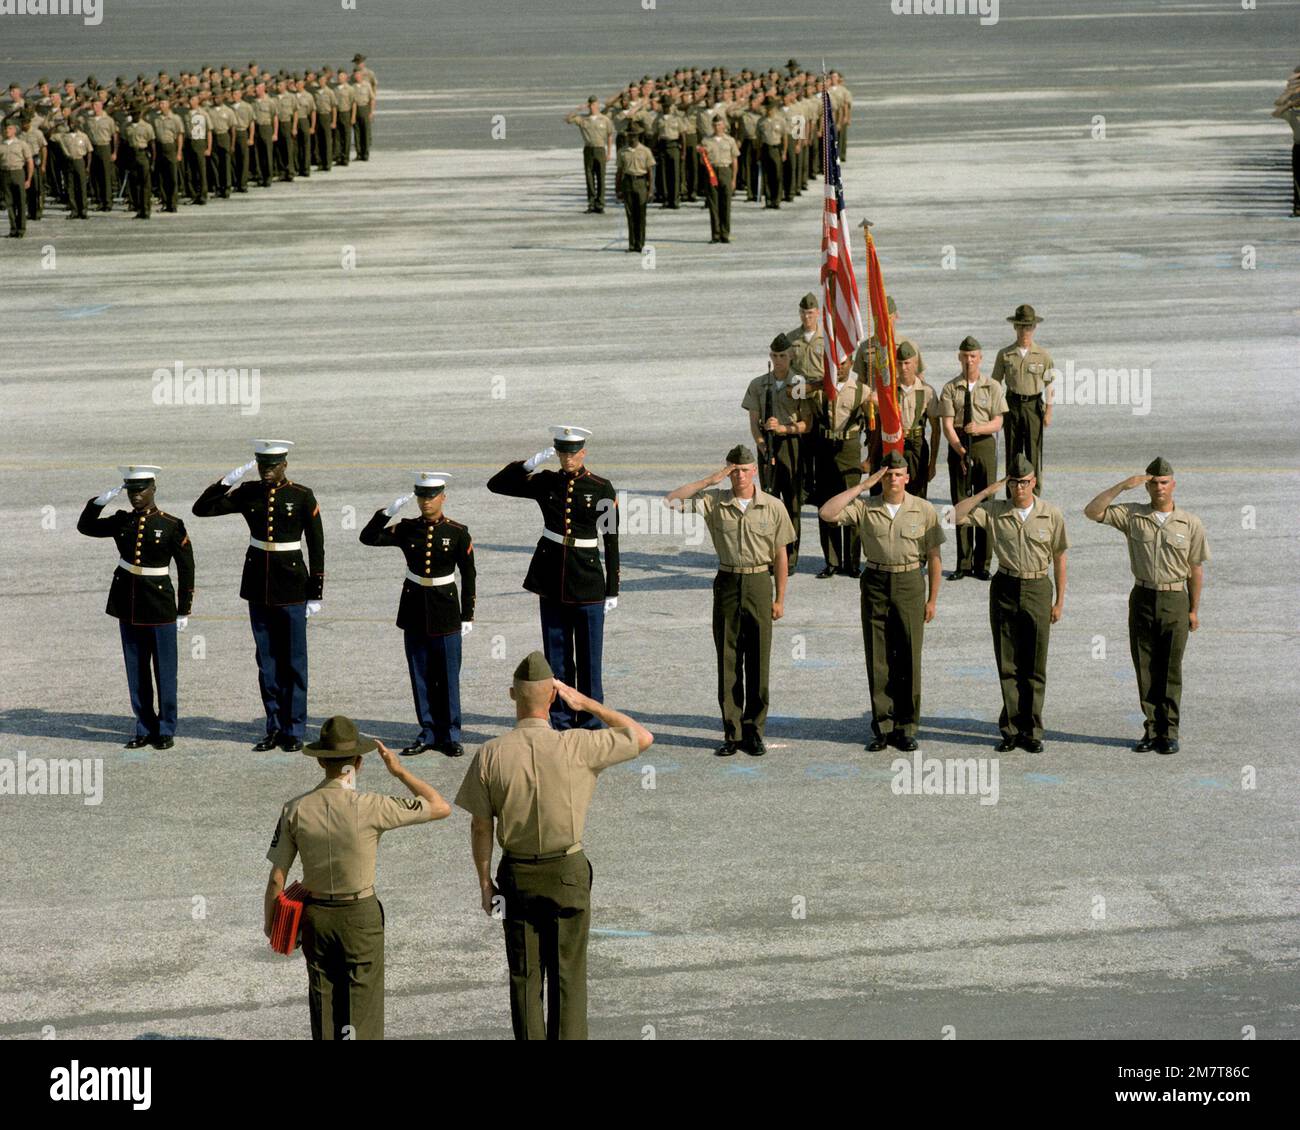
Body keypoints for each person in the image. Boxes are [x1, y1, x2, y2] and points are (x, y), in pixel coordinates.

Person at [455, 652, 652, 1040]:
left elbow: (480, 825)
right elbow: (642, 737)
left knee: (525, 977)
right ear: (552, 699)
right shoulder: (578, 745)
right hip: (566, 873)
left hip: (517, 877)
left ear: (513, 695)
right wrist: (586, 703)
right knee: (568, 978)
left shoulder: (491, 754)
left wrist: (484, 884)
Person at [264, 715, 452, 1040]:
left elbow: (277, 879)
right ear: (359, 763)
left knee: (324, 1013)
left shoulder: (294, 809)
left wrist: (273, 927)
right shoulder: (372, 806)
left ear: (321, 760)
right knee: (363, 1015)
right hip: (361, 916)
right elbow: (439, 806)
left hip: (317, 918)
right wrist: (399, 771)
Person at [192, 440, 325, 751]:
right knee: (267, 662)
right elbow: (202, 509)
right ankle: (275, 727)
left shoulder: (302, 496)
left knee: (293, 662)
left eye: (272, 466)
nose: (267, 471)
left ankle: (295, 730)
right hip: (259, 586)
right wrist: (228, 480)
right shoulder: (248, 492)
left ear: (284, 466)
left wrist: (315, 592)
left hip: (292, 586)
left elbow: (316, 545)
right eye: (262, 465)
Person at [666, 446, 795, 756]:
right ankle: (732, 731)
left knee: (758, 660)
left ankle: (754, 730)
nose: (739, 475)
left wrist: (779, 598)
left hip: (758, 582)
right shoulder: (715, 502)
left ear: (754, 471)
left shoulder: (773, 506)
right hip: (727, 581)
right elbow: (672, 500)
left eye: (744, 469)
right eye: (733, 470)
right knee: (728, 658)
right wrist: (711, 479)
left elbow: (780, 556)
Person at [487, 427, 619, 730]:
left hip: (587, 582)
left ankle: (590, 718)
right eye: (563, 452)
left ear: (583, 453)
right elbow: (496, 485)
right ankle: (559, 717)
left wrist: (612, 589)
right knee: (556, 657)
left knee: (588, 660)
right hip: (551, 580)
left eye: (573, 452)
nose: (568, 458)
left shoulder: (601, 488)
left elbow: (611, 540)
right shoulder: (547, 482)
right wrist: (529, 464)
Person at [819, 451, 944, 752]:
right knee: (878, 656)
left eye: (898, 474)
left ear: (907, 478)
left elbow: (935, 557)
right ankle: (883, 727)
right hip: (875, 580)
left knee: (909, 656)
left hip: (910, 581)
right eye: (887, 474)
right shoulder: (865, 507)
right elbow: (827, 512)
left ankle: (907, 726)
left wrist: (932, 599)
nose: (893, 480)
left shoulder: (924, 510)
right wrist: (862, 486)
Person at [1083, 458, 1209, 755]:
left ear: (1173, 485)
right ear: (1147, 485)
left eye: (1164, 482)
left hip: (1175, 597)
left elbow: (1196, 568)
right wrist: (1123, 486)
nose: (1158, 488)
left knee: (1170, 668)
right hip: (1142, 596)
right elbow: (1092, 511)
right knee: (1145, 666)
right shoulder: (1133, 515)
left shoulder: (1190, 523)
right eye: (1153, 483)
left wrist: (1193, 609)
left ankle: (1170, 732)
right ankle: (1152, 730)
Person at [955, 455, 1068, 753]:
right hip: (1005, 585)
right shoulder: (994, 511)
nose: (1020, 488)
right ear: (1009, 484)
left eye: (1025, 482)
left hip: (1038, 586)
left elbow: (1060, 557)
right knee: (1008, 662)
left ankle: (1033, 730)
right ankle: (1011, 729)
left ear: (1034, 483)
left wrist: (1059, 600)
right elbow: (953, 516)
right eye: (1014, 482)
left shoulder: (1050, 514)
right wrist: (984, 493)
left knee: (1034, 663)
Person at [77, 466, 195, 750]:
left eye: (141, 490)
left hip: (160, 604)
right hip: (128, 603)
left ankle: (166, 728)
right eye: (131, 491)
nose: (136, 496)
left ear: (153, 489)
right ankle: (144, 726)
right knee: (137, 670)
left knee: (165, 671)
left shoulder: (170, 524)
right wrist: (99, 502)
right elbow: (86, 527)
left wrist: (184, 609)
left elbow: (186, 567)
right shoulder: (122, 522)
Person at [360, 473, 475, 757]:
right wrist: (387, 513)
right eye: (422, 496)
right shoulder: (407, 528)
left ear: (443, 497)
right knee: (420, 674)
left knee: (447, 676)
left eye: (432, 496)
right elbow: (368, 538)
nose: (426, 501)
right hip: (414, 609)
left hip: (446, 609)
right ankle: (427, 731)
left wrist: (467, 614)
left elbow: (469, 574)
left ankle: (449, 735)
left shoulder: (457, 532)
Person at [937, 336, 1007, 580]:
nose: (969, 361)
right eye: (965, 356)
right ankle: (963, 563)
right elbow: (946, 424)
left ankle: (983, 563)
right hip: (959, 446)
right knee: (961, 503)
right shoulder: (950, 388)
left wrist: (980, 428)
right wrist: (959, 449)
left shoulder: (993, 387)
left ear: (980, 358)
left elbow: (998, 421)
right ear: (959, 357)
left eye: (973, 356)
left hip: (984, 443)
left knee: (986, 502)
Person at [742, 333, 812, 569]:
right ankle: (772, 553)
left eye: (783, 355)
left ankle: (790, 557)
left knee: (792, 502)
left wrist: (783, 428)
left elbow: (806, 423)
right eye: (775, 355)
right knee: (769, 501)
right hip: (767, 446)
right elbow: (753, 420)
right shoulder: (759, 384)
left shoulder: (799, 384)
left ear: (791, 356)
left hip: (791, 446)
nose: (779, 359)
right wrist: (761, 443)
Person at [812, 358, 869, 578]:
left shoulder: (862, 391)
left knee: (852, 504)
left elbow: (874, 424)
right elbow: (793, 392)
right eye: (835, 362)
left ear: (851, 363)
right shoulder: (820, 390)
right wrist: (820, 383)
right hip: (825, 449)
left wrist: (870, 458)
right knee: (827, 504)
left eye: (844, 362)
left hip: (849, 449)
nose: (840, 367)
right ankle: (832, 561)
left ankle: (853, 562)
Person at [990, 304, 1055, 493]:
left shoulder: (1043, 355)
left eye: (1028, 327)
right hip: (1011, 404)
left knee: (1033, 451)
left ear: (1034, 328)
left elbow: (1050, 384)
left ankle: (1034, 492)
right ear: (1014, 327)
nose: (1024, 331)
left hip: (1034, 406)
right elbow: (995, 384)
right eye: (1020, 326)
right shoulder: (1005, 354)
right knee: (1013, 450)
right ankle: (1012, 492)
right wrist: (996, 410)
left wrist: (1049, 411)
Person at [892, 341, 940, 498]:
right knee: (895, 493)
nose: (904, 368)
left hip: (917, 445)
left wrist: (932, 463)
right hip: (895, 444)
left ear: (915, 363)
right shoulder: (890, 391)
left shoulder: (927, 391)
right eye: (900, 363)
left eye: (907, 363)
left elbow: (936, 429)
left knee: (918, 493)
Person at [564, 96, 614, 213]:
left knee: (601, 177)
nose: (592, 107)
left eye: (594, 104)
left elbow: (610, 135)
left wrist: (609, 152)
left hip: (600, 149)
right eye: (590, 105)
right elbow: (567, 119)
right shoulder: (583, 119)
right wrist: (578, 109)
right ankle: (591, 203)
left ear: (597, 105)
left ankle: (600, 204)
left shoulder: (604, 119)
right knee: (589, 177)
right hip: (588, 150)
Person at [698, 113, 739, 242]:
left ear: (724, 126)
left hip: (725, 170)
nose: (717, 127)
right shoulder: (706, 141)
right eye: (715, 125)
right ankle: (715, 234)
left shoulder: (730, 140)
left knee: (726, 203)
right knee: (713, 204)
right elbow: (702, 160)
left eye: (719, 124)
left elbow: (735, 160)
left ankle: (725, 234)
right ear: (712, 126)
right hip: (712, 172)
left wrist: (733, 179)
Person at [615, 123, 654, 252]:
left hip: (641, 182)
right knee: (630, 215)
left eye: (634, 136)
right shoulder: (622, 152)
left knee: (641, 215)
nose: (631, 138)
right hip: (628, 183)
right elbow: (619, 172)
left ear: (638, 136)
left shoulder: (645, 151)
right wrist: (618, 189)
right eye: (630, 136)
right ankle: (632, 244)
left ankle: (641, 244)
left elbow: (650, 172)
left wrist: (650, 190)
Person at [0, 120, 32, 236]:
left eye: (9, 128)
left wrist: (28, 179)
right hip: (5, 174)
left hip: (18, 173)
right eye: (5, 129)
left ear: (14, 130)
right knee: (9, 204)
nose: (6, 131)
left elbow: (29, 161)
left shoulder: (21, 144)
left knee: (21, 202)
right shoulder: (1, 145)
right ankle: (13, 229)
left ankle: (21, 229)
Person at [121, 106, 154, 218]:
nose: (134, 116)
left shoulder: (147, 126)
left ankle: (146, 210)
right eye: (132, 113)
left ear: (140, 114)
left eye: (136, 113)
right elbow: (125, 143)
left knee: (145, 184)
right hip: (132, 155)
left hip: (143, 154)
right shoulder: (127, 127)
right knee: (135, 185)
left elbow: (152, 144)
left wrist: (152, 162)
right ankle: (139, 209)